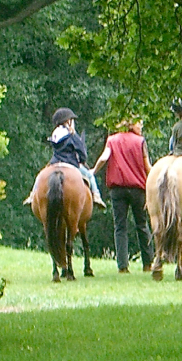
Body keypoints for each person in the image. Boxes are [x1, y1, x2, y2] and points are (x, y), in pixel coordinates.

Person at [91, 117, 153, 273]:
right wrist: (156, 183)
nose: (141, 126)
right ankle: (148, 263)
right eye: (140, 123)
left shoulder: (112, 140)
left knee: (120, 227)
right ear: (133, 125)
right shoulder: (140, 141)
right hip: (138, 190)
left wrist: (93, 172)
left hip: (118, 190)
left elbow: (104, 157)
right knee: (142, 225)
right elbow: (147, 167)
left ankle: (123, 266)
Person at [23, 107, 105, 208]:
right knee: (90, 175)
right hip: (70, 163)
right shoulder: (72, 135)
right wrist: (82, 160)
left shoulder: (55, 135)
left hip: (55, 162)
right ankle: (97, 196)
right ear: (68, 121)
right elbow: (82, 153)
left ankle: (32, 195)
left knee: (40, 176)